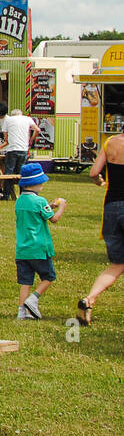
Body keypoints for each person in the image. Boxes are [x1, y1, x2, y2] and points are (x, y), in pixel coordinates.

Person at [80, 132, 124, 325]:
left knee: (118, 263)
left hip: (112, 208)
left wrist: (100, 181)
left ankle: (89, 299)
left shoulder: (110, 142)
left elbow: (93, 173)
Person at [14, 162, 64, 320]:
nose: (43, 184)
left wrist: (50, 205)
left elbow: (36, 212)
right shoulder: (40, 201)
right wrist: (62, 206)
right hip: (39, 249)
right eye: (41, 181)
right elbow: (53, 219)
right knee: (48, 277)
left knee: (25, 281)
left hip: (22, 250)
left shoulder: (19, 201)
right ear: (34, 183)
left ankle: (21, 311)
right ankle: (33, 299)